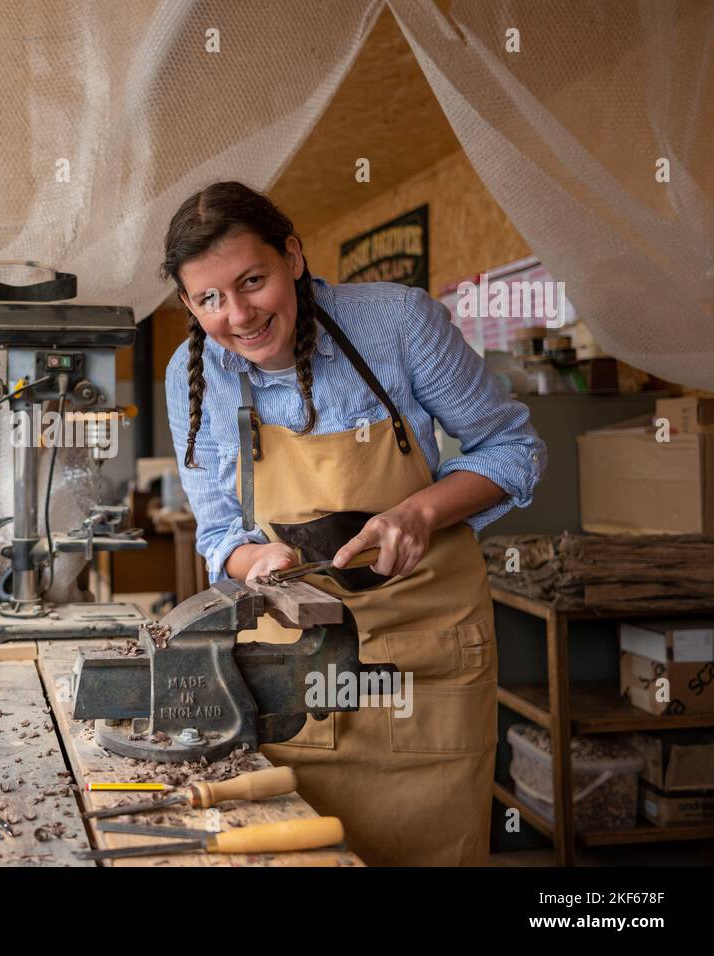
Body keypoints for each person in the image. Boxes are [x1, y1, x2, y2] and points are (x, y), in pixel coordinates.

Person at [162, 181, 546, 866]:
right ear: (188, 303)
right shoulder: (191, 375)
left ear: (293, 256)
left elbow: (515, 450)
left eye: (253, 281)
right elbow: (220, 535)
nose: (240, 315)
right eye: (210, 299)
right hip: (299, 671)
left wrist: (419, 512)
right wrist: (261, 566)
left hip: (425, 662)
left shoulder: (398, 323)